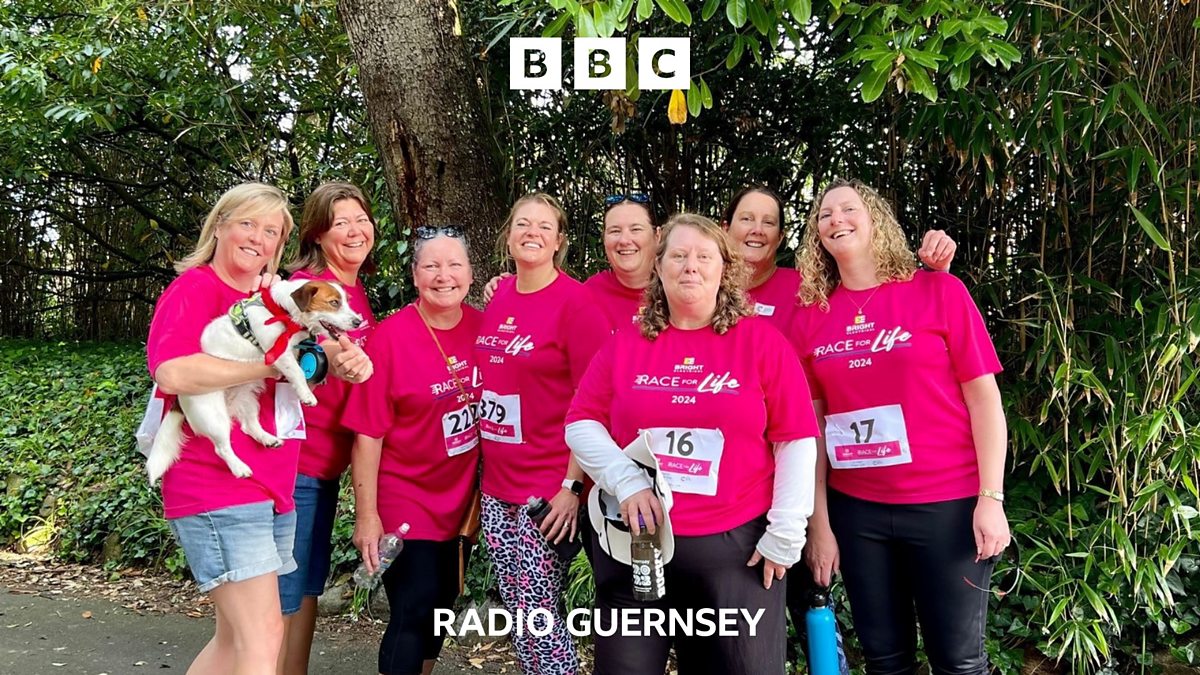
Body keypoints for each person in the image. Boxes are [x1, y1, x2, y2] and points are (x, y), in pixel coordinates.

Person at [565, 213, 820, 675]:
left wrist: (786, 529)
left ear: (725, 268)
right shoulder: (627, 343)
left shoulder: (762, 343)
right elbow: (581, 423)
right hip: (637, 548)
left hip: (736, 554)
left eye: (704, 256)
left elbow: (795, 439)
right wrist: (624, 481)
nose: (691, 266)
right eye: (679, 255)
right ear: (658, 268)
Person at [791, 178, 1009, 675]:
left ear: (877, 222)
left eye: (849, 209)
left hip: (946, 507)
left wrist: (990, 498)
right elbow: (815, 430)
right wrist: (819, 525)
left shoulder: (939, 290)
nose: (836, 220)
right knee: (885, 661)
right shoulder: (810, 317)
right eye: (824, 214)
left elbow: (985, 400)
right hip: (858, 512)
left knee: (958, 661)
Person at [147, 183, 299, 674]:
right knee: (263, 637)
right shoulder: (195, 289)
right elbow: (172, 372)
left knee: (235, 640)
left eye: (271, 231)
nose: (258, 238)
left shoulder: (268, 302)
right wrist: (266, 367)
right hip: (216, 483)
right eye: (247, 224)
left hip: (269, 483)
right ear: (220, 227)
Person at [474, 193, 611, 674]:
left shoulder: (578, 305)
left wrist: (572, 487)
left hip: (549, 489)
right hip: (497, 487)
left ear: (559, 241)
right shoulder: (498, 296)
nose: (532, 232)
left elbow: (592, 405)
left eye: (544, 226)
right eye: (522, 224)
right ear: (508, 236)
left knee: (540, 612)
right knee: (519, 614)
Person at [343, 226, 482, 675]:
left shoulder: (487, 329)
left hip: (461, 500)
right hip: (406, 495)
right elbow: (367, 433)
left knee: (439, 610)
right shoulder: (391, 338)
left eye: (454, 264)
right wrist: (367, 516)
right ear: (415, 274)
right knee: (413, 610)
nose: (444, 276)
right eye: (431, 265)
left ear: (471, 273)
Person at [277, 182, 377, 675]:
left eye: (361, 219)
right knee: (282, 599)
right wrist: (331, 355)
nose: (355, 230)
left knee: (306, 588)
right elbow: (295, 351)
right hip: (293, 463)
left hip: (326, 466)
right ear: (317, 233)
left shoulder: (354, 293)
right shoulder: (301, 289)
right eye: (341, 223)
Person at [720, 185, 957, 330]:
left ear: (781, 237)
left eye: (769, 222)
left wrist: (937, 274)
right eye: (746, 219)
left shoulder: (809, 287)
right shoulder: (700, 288)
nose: (757, 230)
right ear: (724, 228)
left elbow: (874, 301)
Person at [484, 192, 657, 333]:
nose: (624, 240)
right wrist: (507, 288)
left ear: (658, 236)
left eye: (636, 229)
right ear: (604, 239)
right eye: (615, 231)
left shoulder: (675, 291)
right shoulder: (589, 294)